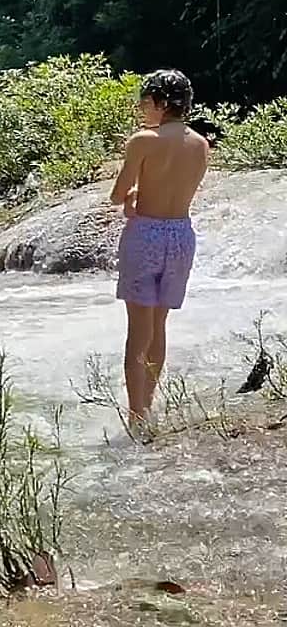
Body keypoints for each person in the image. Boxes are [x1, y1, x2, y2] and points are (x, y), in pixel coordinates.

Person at [110, 69, 209, 430]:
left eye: (145, 100)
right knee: (159, 326)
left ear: (162, 103)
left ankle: (135, 416)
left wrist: (133, 196)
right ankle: (148, 408)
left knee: (138, 329)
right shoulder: (200, 143)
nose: (141, 107)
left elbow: (118, 194)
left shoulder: (143, 141)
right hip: (181, 235)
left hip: (146, 234)